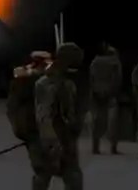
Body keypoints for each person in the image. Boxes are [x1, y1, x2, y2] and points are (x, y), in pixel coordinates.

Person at [34, 43, 84, 189]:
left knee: (73, 177)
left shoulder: (67, 82)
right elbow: (44, 115)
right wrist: (51, 141)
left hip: (65, 136)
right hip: (53, 137)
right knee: (44, 176)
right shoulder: (47, 84)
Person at [7, 52, 50, 187]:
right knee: (43, 169)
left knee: (44, 168)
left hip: (37, 129)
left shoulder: (23, 77)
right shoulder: (28, 80)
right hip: (36, 129)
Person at [87, 43, 122, 155]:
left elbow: (91, 78)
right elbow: (117, 79)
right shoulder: (115, 62)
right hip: (110, 94)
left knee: (97, 121)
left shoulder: (95, 62)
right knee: (113, 122)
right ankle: (113, 147)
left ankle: (95, 147)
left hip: (96, 94)